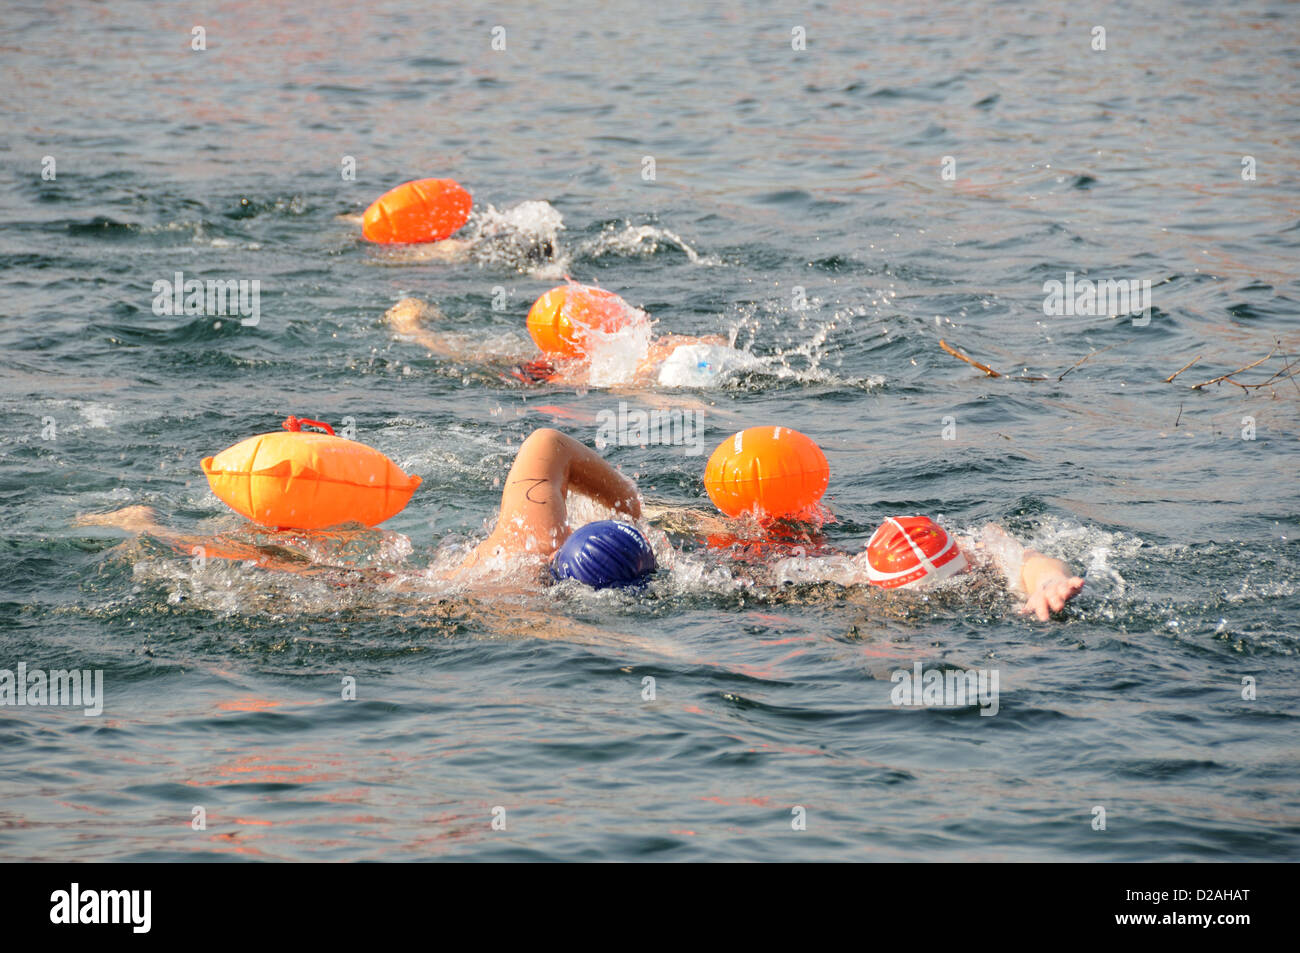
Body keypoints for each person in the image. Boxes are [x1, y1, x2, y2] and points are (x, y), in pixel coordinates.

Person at [79, 428, 658, 591]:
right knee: (317, 575)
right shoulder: (532, 607)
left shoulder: (528, 539)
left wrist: (633, 508)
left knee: (317, 574)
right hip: (435, 598)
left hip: (434, 590)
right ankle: (155, 530)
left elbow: (546, 442)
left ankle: (150, 527)